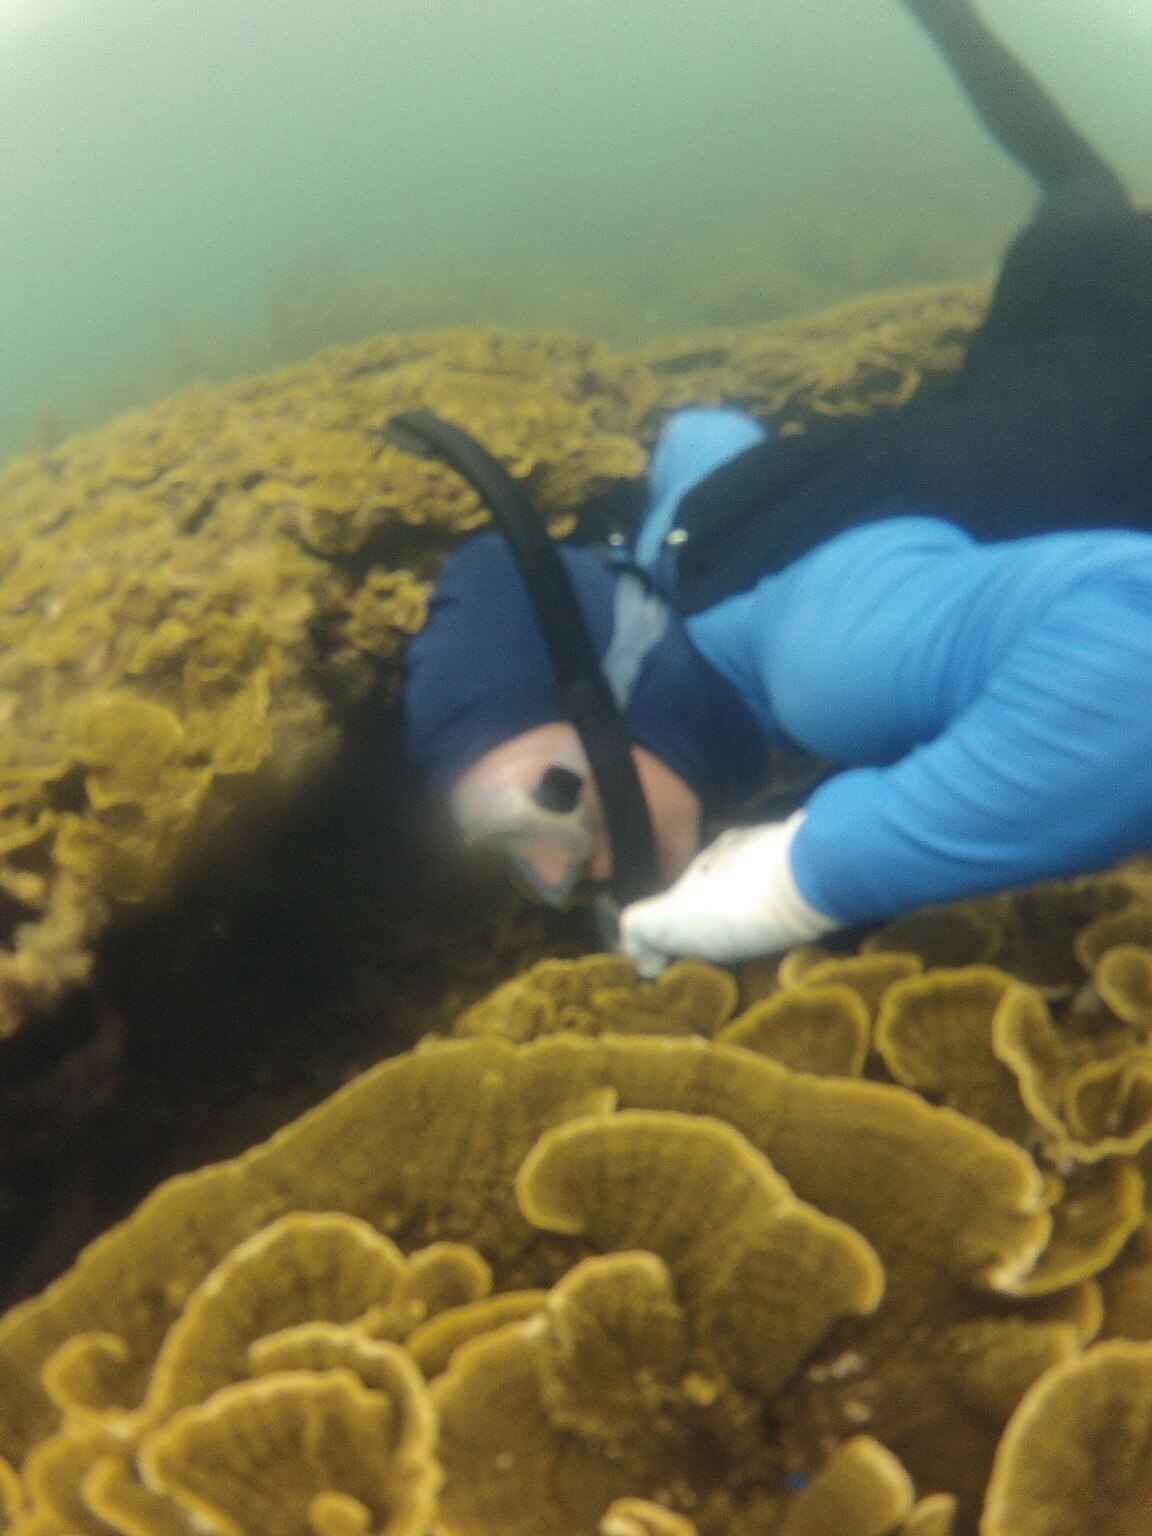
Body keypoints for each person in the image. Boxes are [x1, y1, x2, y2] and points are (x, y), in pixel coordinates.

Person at [401, 0, 1152, 977]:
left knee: (1078, 178)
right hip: (1056, 303)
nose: (564, 876)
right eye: (518, 869)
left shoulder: (821, 654)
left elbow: (1135, 651)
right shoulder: (678, 533)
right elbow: (701, 432)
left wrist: (809, 875)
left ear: (607, 694)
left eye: (543, 813)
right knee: (1073, 175)